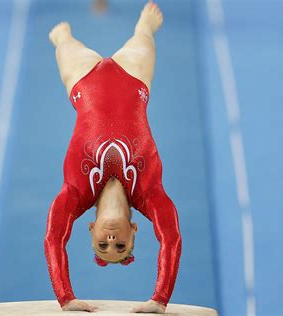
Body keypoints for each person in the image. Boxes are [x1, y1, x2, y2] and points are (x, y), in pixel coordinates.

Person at [45, 1, 182, 313]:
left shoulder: (76, 194)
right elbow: (172, 240)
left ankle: (62, 36)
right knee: (144, 31)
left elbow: (53, 240)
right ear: (134, 231)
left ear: (91, 230)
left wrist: (66, 298)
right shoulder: (149, 194)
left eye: (102, 245)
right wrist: (159, 300)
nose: (110, 240)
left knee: (63, 39)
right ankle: (144, 27)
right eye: (120, 246)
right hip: (135, 78)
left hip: (82, 80)